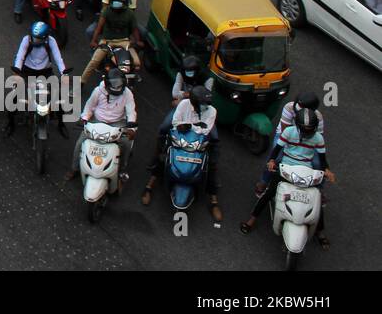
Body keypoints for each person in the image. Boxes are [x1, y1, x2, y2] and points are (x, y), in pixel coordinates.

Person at [240, 108, 334, 245]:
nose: (308, 132)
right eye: (305, 129)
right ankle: (252, 220)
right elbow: (276, 151)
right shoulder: (289, 132)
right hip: (286, 167)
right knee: (269, 193)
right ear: (298, 126)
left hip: (306, 170)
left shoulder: (318, 138)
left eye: (310, 129)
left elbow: (322, 159)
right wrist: (271, 161)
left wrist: (327, 171)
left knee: (316, 199)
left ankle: (320, 231)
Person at [141, 85, 221, 221]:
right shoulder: (184, 104)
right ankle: (151, 177)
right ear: (194, 102)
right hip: (182, 134)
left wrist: (188, 126)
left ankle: (213, 197)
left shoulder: (211, 111)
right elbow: (176, 122)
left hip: (194, 137)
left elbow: (206, 131)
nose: (205, 107)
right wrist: (187, 126)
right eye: (202, 105)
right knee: (163, 132)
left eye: (206, 105)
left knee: (215, 143)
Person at [67, 67, 136, 180]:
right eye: (114, 85)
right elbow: (89, 107)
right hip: (97, 121)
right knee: (80, 143)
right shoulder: (98, 91)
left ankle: (122, 170)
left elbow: (131, 111)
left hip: (117, 123)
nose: (117, 87)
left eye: (119, 84)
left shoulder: (127, 93)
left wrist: (131, 128)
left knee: (126, 144)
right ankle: (74, 168)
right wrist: (84, 118)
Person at [7, 20, 67, 136]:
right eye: (34, 37)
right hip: (27, 71)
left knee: (59, 97)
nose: (35, 40)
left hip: (45, 72)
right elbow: (20, 57)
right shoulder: (26, 39)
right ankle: (10, 123)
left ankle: (61, 123)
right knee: (14, 95)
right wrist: (17, 73)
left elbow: (58, 59)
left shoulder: (51, 41)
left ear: (45, 37)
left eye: (38, 38)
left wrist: (64, 73)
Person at [80, 0, 142, 85]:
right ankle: (81, 83)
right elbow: (99, 27)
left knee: (136, 63)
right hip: (107, 41)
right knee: (93, 62)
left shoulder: (129, 14)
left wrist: (137, 41)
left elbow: (134, 29)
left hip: (124, 41)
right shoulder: (107, 11)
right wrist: (94, 40)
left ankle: (131, 80)